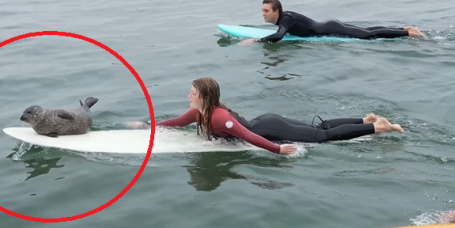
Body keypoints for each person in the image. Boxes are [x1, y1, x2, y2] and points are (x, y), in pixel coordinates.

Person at [129, 77, 404, 155]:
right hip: (267, 121)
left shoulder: (218, 118)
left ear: (204, 96)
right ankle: (364, 119)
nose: (188, 95)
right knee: (316, 127)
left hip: (271, 130)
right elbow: (175, 123)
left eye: (192, 93)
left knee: (323, 137)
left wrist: (277, 150)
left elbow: (247, 136)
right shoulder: (199, 112)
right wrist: (148, 125)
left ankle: (377, 128)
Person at [241, 0, 426, 44]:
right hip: (330, 24)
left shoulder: (285, 19)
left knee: (368, 35)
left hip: (330, 29)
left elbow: (279, 36)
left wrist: (257, 41)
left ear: (276, 11)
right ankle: (403, 28)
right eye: (262, 10)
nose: (263, 14)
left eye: (266, 11)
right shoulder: (285, 17)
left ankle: (409, 33)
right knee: (366, 29)